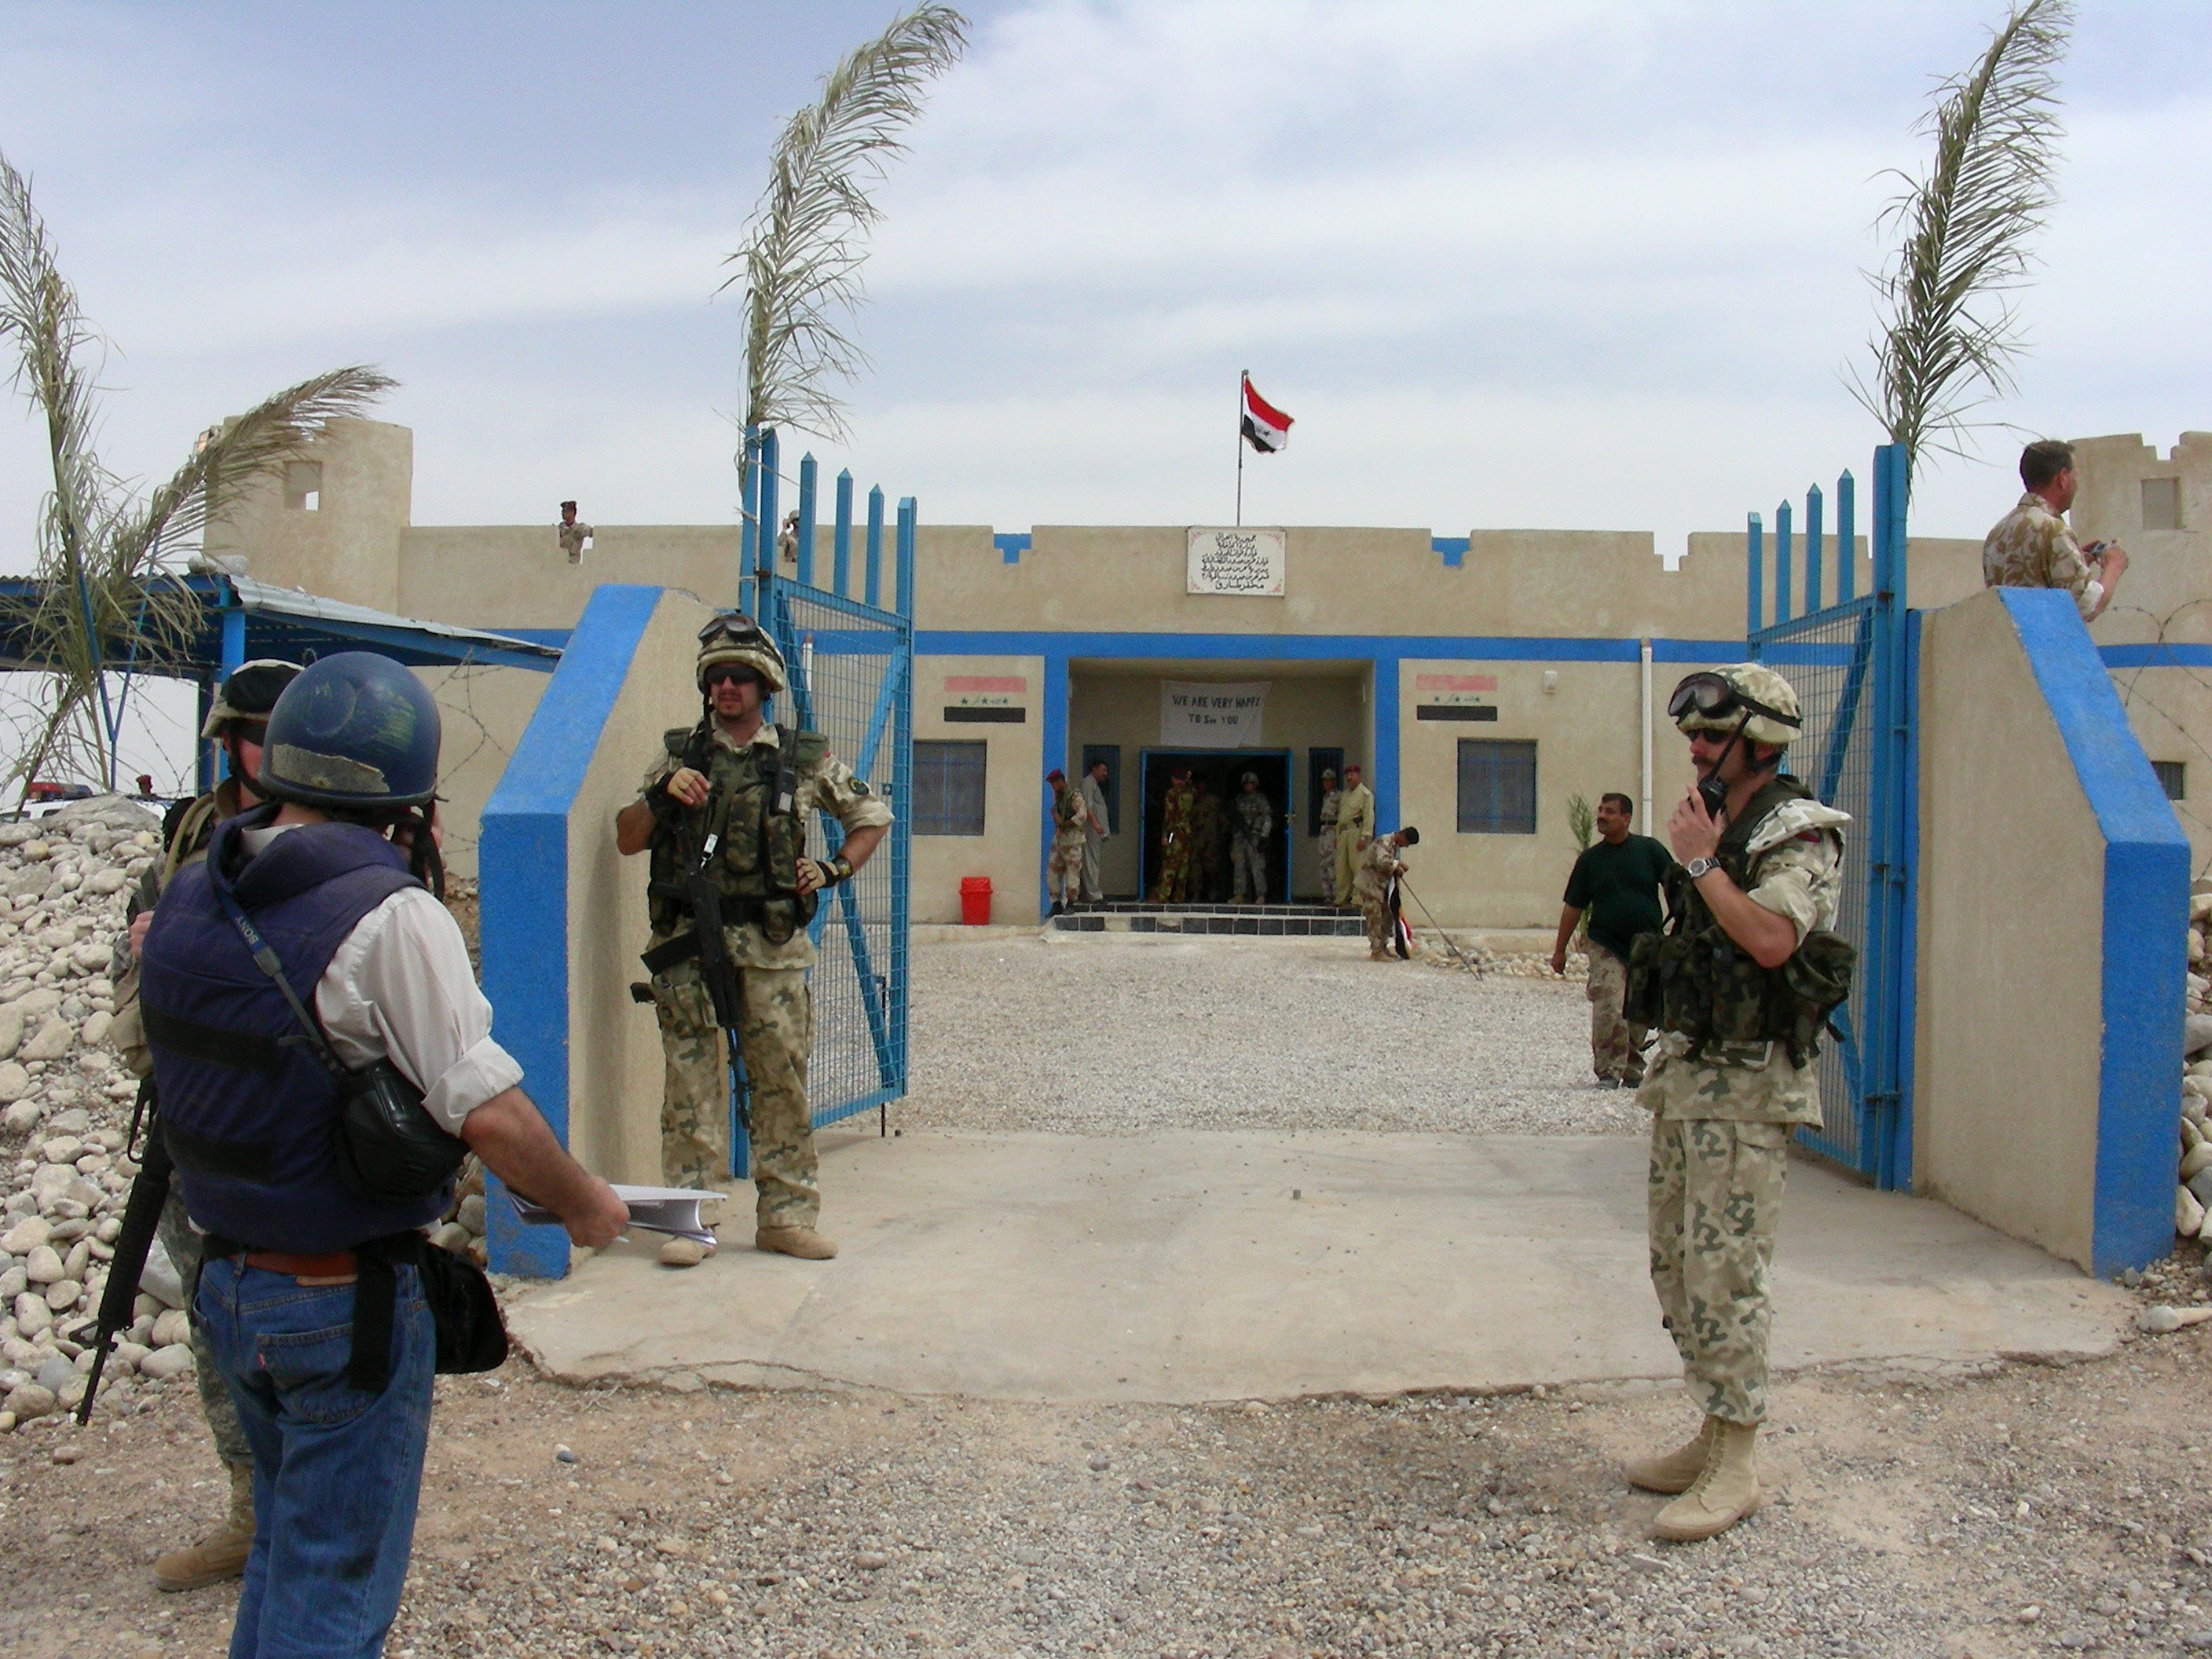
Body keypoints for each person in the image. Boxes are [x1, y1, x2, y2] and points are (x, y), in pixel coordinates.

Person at [138, 652, 629, 1658]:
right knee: (333, 1594)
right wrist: (584, 1203)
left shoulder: (192, 890)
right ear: (408, 792)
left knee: (284, 1555)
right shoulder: (388, 914)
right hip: (337, 1305)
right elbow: (486, 1113)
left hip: (228, 1288)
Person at [1624, 664, 1848, 1544]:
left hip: (1748, 1086)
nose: (1693, 748)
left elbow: (1766, 938)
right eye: (1691, 735)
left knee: (1726, 1274)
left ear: (1758, 743)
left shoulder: (1798, 832)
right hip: (1691, 1079)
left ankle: (1739, 1458)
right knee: (1675, 1267)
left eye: (1710, 737)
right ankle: (1709, 1431)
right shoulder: (1716, 822)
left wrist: (1701, 861)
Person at [108, 661, 300, 1594]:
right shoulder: (188, 841)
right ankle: (250, 1510)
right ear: (230, 740)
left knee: (310, 1323)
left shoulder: (324, 841)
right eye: (267, 733)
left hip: (291, 1130)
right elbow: (130, 970)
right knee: (214, 1325)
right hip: (193, 1125)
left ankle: (314, 1513)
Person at [614, 613, 891, 1259]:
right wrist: (661, 795)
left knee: (781, 1083)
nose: (727, 688)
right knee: (689, 1086)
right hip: (689, 947)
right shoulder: (681, 755)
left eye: (740, 677)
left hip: (772, 949)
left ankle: (786, 1217)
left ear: (764, 685)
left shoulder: (800, 757)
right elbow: (627, 837)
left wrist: (831, 869)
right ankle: (688, 1221)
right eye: (717, 678)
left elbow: (870, 816)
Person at [1551, 792, 1674, 1088]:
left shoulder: (1650, 851)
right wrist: (1559, 951)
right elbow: (1573, 906)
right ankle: (1608, 1070)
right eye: (1600, 810)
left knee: (1639, 1011)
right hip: (1606, 944)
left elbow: (1675, 887)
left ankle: (1632, 1068)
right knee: (1610, 1005)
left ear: (1626, 818)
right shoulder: (1591, 860)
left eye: (1610, 811)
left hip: (1646, 945)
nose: (1601, 816)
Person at [1983, 438, 2126, 621]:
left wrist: (2075, 560)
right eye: (2075, 476)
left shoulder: (1998, 532)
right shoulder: (2054, 530)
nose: (2077, 485)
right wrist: (2114, 567)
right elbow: (2088, 605)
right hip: (2045, 645)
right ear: (2063, 478)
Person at [1354, 826, 1419, 960]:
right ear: (1403, 836)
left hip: (1379, 887)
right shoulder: (1385, 841)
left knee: (1386, 917)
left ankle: (1383, 947)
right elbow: (1382, 862)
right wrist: (1398, 864)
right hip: (1369, 885)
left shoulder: (1394, 846)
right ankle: (1376, 951)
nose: (1405, 847)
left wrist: (1397, 871)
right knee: (1375, 917)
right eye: (1407, 844)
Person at [1044, 767, 1087, 915]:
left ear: (1060, 781)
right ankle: (1056, 903)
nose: (1053, 787)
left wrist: (1064, 823)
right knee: (1053, 871)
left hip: (1073, 839)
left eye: (1054, 783)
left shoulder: (1074, 796)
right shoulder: (1058, 796)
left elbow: (1082, 816)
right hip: (1060, 838)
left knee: (1073, 871)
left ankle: (1071, 903)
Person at [1333, 763, 1374, 906]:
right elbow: (1341, 817)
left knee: (1357, 867)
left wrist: (1365, 836)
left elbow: (1369, 817)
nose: (1350, 777)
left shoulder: (1365, 794)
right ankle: (1341, 897)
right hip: (1343, 833)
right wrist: (1336, 835)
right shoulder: (1344, 795)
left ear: (1358, 775)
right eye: (1348, 775)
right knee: (1341, 867)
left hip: (1357, 832)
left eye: (1353, 774)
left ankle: (1358, 899)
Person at [1230, 771, 1274, 903]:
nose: (1247, 786)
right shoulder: (1239, 800)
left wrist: (1263, 836)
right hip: (1240, 837)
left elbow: (1267, 818)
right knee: (1239, 866)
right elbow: (1233, 820)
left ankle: (1260, 895)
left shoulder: (1260, 800)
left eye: (1250, 784)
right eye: (1245, 784)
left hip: (1255, 837)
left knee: (1257, 867)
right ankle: (1239, 894)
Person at [1153, 767, 1196, 902]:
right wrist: (1188, 781)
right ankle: (1179, 897)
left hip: (1174, 833)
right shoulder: (1191, 792)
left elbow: (1169, 816)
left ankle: (1163, 896)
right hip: (1187, 833)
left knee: (1170, 864)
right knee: (1184, 866)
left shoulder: (1172, 793)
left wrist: (1166, 835)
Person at [1079, 759, 1111, 903]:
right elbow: (1087, 806)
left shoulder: (1095, 785)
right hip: (1092, 830)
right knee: (1091, 861)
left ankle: (1087, 893)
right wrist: (1095, 824)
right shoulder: (1088, 783)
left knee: (1092, 860)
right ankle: (1094, 895)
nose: (1105, 774)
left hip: (1096, 830)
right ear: (1094, 769)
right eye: (1103, 770)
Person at [1192, 778, 1229, 902]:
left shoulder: (1214, 801)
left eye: (1203, 785)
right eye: (1199, 785)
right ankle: (1196, 893)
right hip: (1195, 840)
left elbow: (1222, 819)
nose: (1201, 787)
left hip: (1211, 840)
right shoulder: (1190, 799)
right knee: (1195, 868)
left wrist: (1222, 836)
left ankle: (1214, 892)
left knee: (1212, 868)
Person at [1315, 767, 1341, 901]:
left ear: (1334, 781)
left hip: (1332, 830)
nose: (1326, 783)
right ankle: (1327, 895)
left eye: (1329, 780)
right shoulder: (1325, 797)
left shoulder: (1339, 796)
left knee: (1331, 863)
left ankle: (1336, 894)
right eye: (1324, 781)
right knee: (1323, 864)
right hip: (1323, 830)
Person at [557, 500, 593, 566]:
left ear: (573, 512)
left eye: (566, 511)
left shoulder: (580, 528)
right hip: (559, 565)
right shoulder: (559, 529)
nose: (563, 513)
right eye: (563, 511)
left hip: (574, 565)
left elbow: (593, 532)